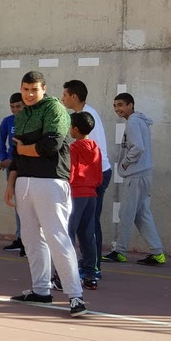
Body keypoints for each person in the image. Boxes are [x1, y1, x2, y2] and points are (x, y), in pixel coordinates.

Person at [3, 71, 87, 317]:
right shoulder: (22, 115)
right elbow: (16, 154)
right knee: (31, 239)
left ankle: (75, 297)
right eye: (25, 89)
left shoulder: (55, 110)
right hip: (24, 184)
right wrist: (11, 183)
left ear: (44, 89)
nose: (29, 94)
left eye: (34, 90)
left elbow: (51, 146)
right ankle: (41, 290)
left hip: (51, 183)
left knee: (58, 238)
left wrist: (25, 148)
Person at [103, 93, 166, 266]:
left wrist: (125, 163)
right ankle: (157, 252)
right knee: (142, 214)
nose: (117, 109)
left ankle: (120, 251)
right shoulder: (138, 121)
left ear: (131, 105)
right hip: (144, 173)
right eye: (115, 105)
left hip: (136, 175)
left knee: (126, 214)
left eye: (121, 105)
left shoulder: (132, 122)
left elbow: (138, 147)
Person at [61, 80, 112, 258]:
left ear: (74, 96)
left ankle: (93, 266)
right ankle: (89, 264)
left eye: (65, 95)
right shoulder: (86, 114)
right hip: (93, 176)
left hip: (94, 176)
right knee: (86, 224)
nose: (62, 99)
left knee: (89, 224)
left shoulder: (84, 117)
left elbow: (92, 152)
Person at [68, 112, 103, 289]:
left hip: (76, 194)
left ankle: (64, 274)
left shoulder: (73, 149)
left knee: (68, 234)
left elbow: (71, 172)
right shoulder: (95, 147)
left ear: (75, 129)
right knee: (88, 235)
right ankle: (91, 274)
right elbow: (99, 173)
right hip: (91, 195)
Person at [0, 93, 25, 253]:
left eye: (18, 106)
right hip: (12, 166)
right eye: (12, 107)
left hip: (26, 165)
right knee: (18, 203)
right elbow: (1, 142)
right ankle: (20, 237)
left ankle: (29, 239)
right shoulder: (7, 121)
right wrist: (5, 158)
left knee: (27, 201)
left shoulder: (30, 120)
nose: (15, 110)